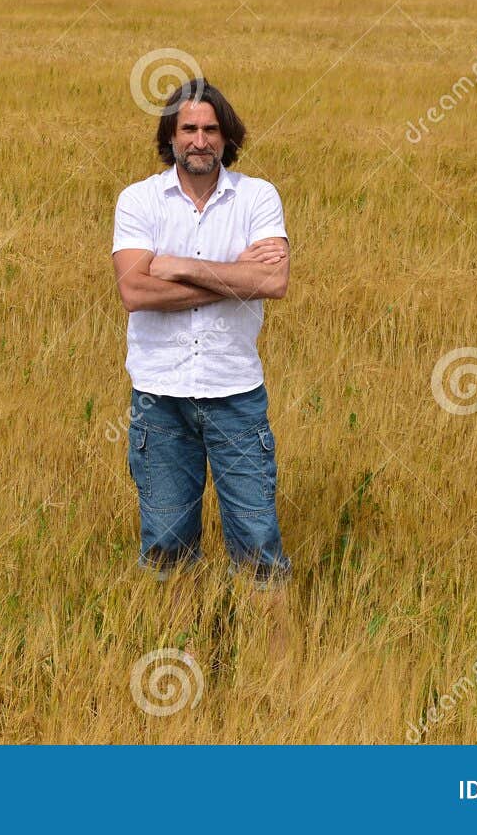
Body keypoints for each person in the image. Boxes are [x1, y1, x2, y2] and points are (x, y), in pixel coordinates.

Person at [110, 79, 292, 587]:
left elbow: (274, 281)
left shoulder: (257, 197)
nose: (199, 140)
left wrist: (172, 266)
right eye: (188, 128)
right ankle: (175, 660)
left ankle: (275, 666)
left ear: (226, 137)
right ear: (170, 136)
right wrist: (234, 274)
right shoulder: (139, 200)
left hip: (235, 394)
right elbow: (135, 294)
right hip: (159, 398)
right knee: (167, 550)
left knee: (258, 548)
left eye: (211, 129)